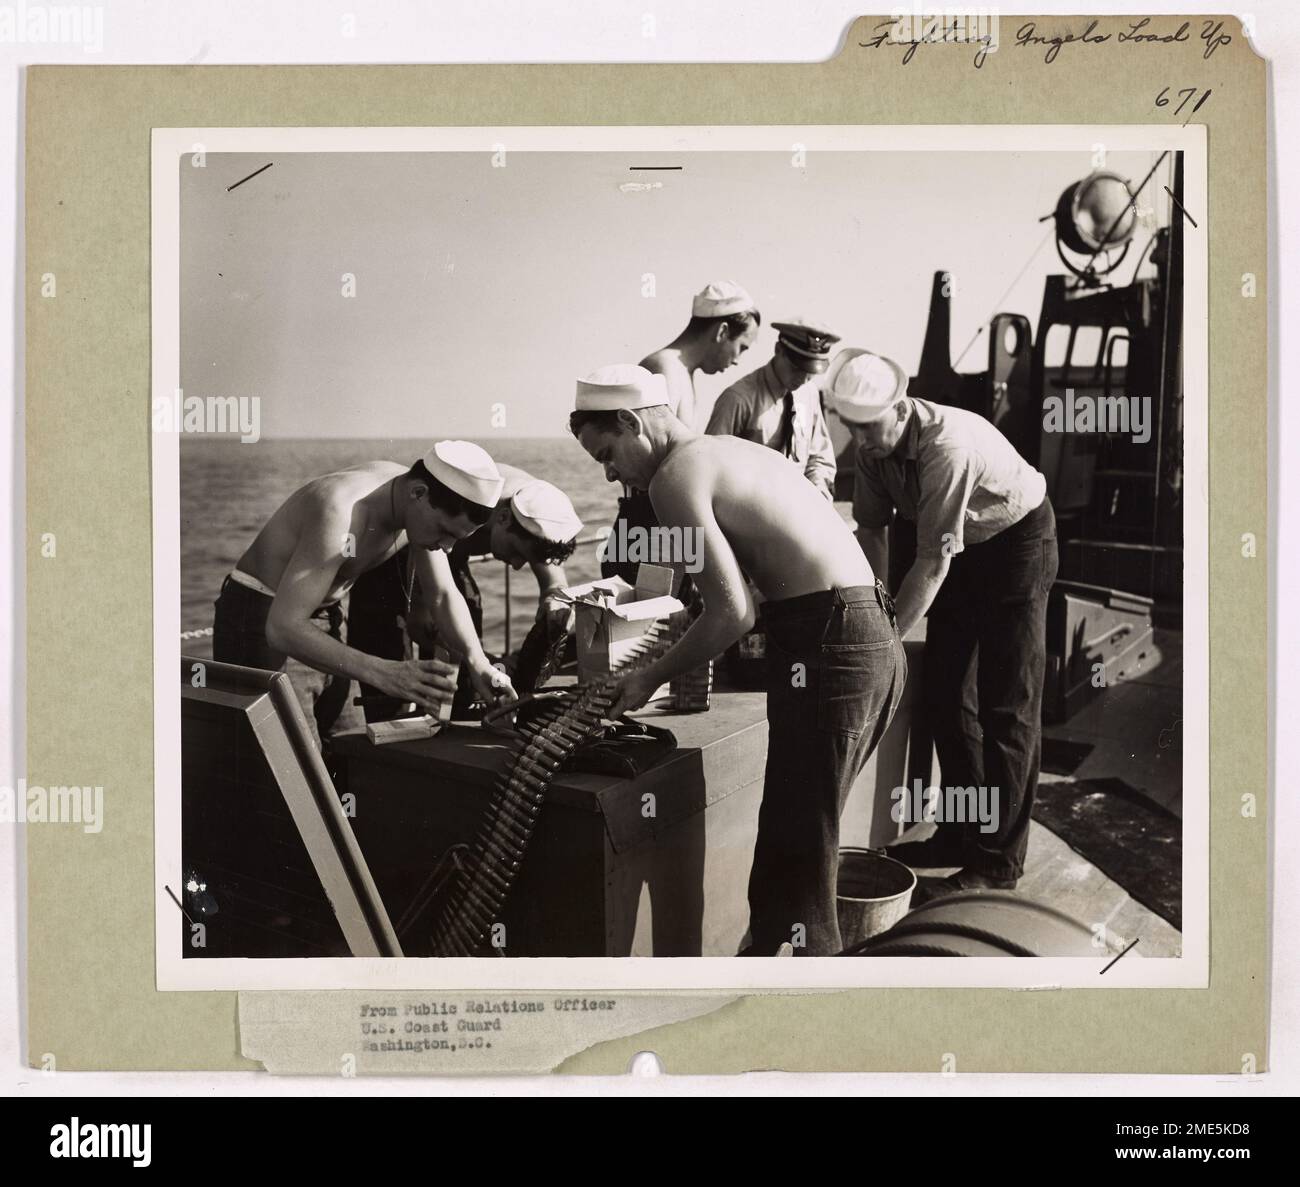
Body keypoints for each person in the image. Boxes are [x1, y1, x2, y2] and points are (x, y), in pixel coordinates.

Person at [569, 364, 907, 956]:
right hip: (874, 636)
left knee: (800, 859)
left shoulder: (672, 478)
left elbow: (733, 615)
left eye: (608, 452)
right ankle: (769, 964)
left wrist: (647, 676)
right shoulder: (727, 451)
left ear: (630, 422)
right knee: (796, 843)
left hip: (830, 646)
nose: (609, 473)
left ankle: (802, 1014)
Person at [827, 349, 1058, 897]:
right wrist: (876, 615)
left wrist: (885, 645)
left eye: (868, 427)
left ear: (901, 408)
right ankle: (960, 833)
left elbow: (931, 562)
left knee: (1009, 705)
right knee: (947, 697)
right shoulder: (874, 448)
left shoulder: (948, 446)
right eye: (850, 428)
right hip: (960, 551)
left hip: (1017, 544)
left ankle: (999, 862)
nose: (859, 441)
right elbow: (874, 534)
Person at [211, 440, 519, 747]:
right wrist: (384, 672)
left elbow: (442, 594)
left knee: (351, 747)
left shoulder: (413, 500)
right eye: (445, 532)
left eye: (457, 538)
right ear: (418, 494)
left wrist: (478, 662)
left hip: (324, 619)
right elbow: (282, 628)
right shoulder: (341, 513)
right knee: (296, 765)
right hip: (262, 618)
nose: (448, 547)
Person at [347, 467, 583, 719]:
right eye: (516, 553)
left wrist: (554, 601)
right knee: (393, 682)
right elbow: (424, 615)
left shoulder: (536, 510)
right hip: (395, 557)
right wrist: (422, 613)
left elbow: (554, 583)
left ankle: (453, 719)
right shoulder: (473, 500)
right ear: (501, 518)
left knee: (467, 669)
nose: (515, 565)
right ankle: (388, 735)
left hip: (449, 560)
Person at [601, 281, 762, 588]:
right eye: (741, 346)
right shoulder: (663, 371)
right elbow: (662, 471)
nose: (738, 359)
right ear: (721, 332)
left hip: (654, 529)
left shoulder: (678, 372)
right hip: (650, 530)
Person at [706, 315, 840, 500]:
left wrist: (817, 495)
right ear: (778, 350)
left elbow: (819, 456)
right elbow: (710, 468)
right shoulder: (737, 399)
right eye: (796, 368)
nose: (802, 379)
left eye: (810, 372)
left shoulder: (808, 394)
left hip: (800, 510)